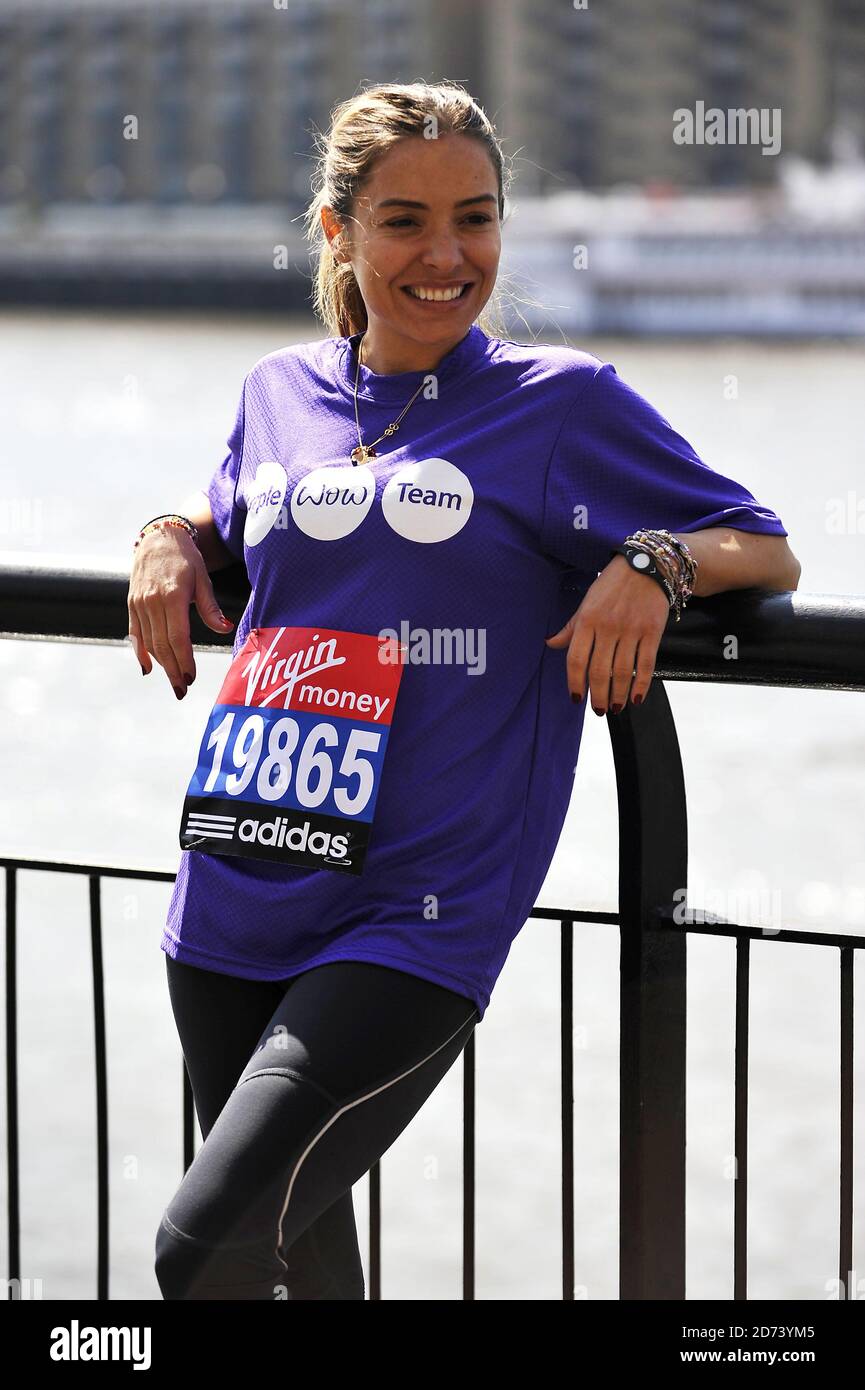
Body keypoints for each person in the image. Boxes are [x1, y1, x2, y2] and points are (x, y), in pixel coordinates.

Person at [128, 80, 801, 1301]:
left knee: (204, 1247)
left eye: (475, 218)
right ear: (335, 231)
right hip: (233, 886)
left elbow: (758, 541)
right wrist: (163, 530)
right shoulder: (277, 389)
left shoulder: (560, 405)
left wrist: (651, 563)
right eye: (402, 222)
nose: (446, 256)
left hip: (414, 919)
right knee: (301, 1268)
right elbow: (231, 525)